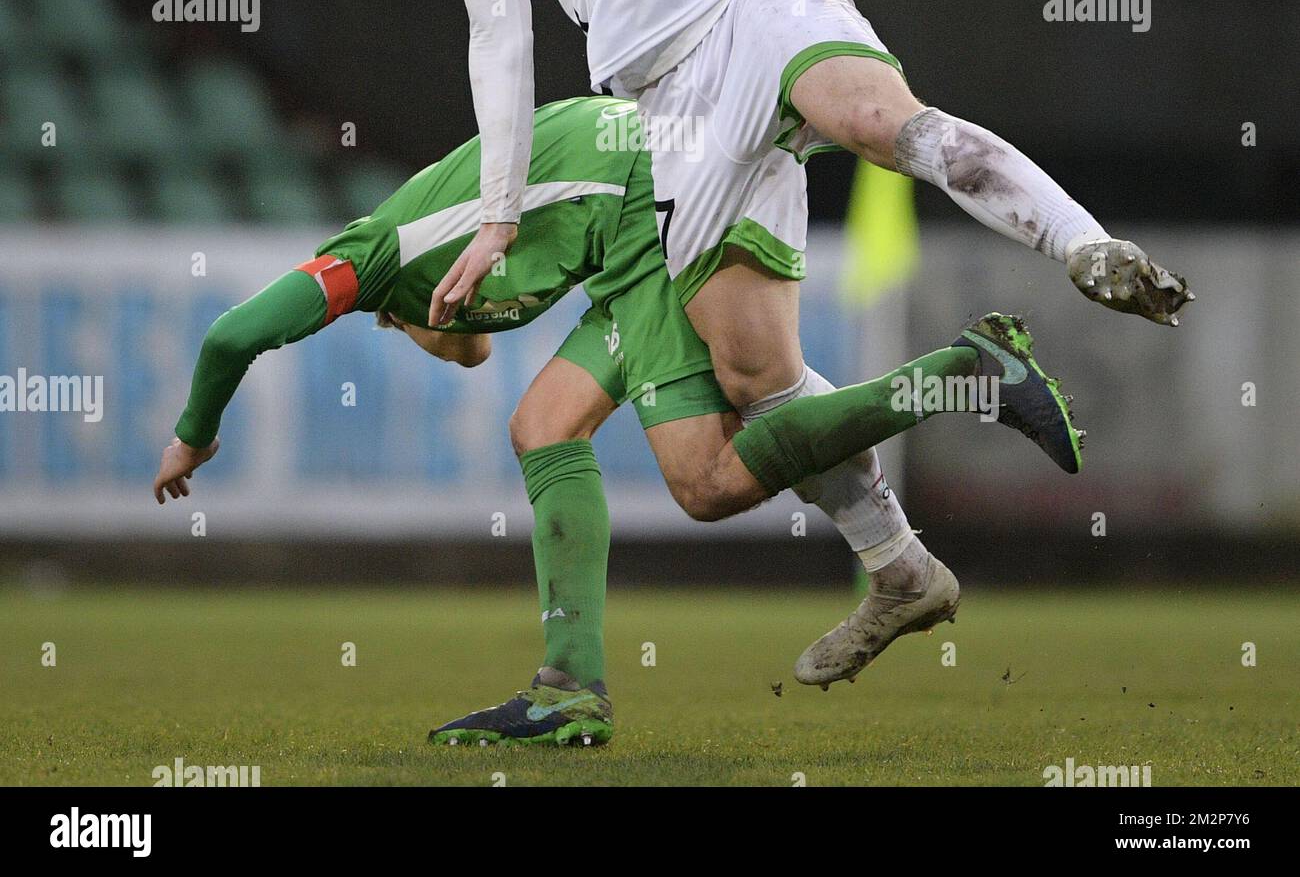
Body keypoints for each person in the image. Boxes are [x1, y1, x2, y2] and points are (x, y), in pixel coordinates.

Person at [383, 0, 1190, 684]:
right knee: (752, 396)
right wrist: (499, 215)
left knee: (868, 116)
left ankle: (1085, 247)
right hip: (660, 98)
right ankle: (902, 571)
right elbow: (497, 30)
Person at [153, 97, 1080, 746]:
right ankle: (578, 686)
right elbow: (474, 344)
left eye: (406, 333)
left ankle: (964, 374)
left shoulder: (372, 258)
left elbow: (232, 334)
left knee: (706, 483)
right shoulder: (441, 286)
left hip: (651, 195)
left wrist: (195, 434)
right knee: (547, 424)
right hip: (639, 194)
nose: (430, 341)